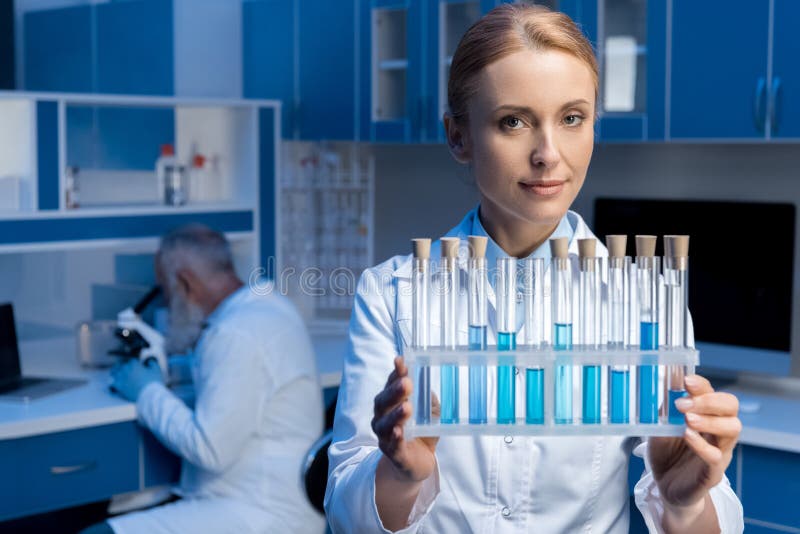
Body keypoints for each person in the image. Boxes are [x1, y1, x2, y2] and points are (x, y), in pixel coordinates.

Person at [325, 4, 743, 533]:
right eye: (513, 121)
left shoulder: (644, 296)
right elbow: (344, 514)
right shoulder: (391, 292)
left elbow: (715, 515)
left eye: (572, 118)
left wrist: (683, 504)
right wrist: (400, 475)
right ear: (459, 137)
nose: (548, 153)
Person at [84, 225, 325, 533]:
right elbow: (238, 372)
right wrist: (173, 368)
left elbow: (210, 450)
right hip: (285, 502)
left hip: (256, 513)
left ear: (185, 283)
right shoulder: (268, 306)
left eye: (167, 292)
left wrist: (147, 391)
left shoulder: (235, 334)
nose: (168, 304)